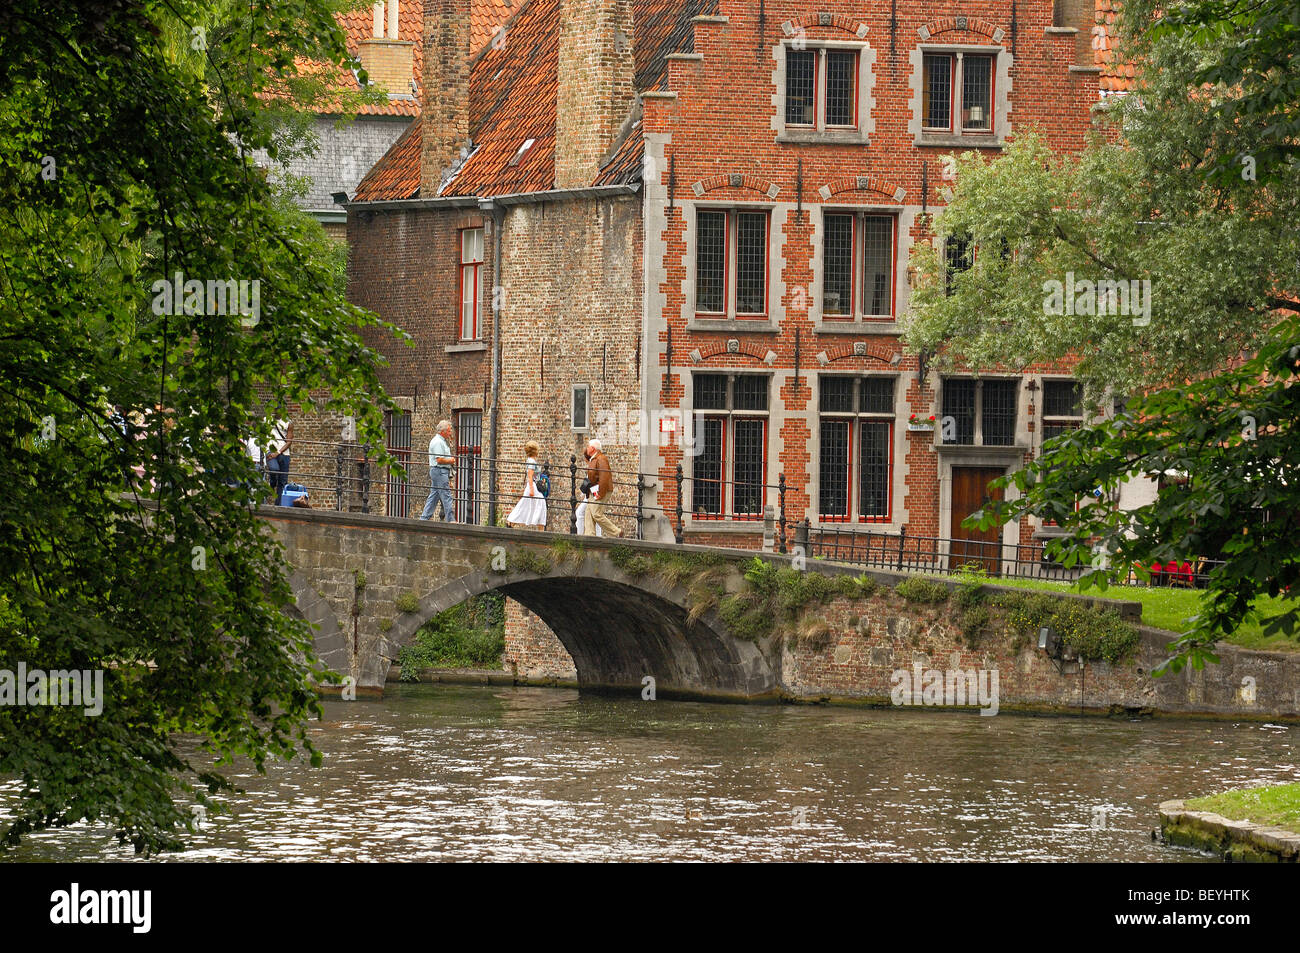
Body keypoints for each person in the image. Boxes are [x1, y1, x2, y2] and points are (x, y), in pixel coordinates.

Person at [583, 438, 621, 538]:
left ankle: (616, 532)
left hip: (600, 489)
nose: (586, 448)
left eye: (588, 446)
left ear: (592, 448)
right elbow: (585, 455)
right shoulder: (594, 458)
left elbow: (604, 476)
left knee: (596, 513)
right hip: (594, 489)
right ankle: (589, 536)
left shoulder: (601, 459)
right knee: (589, 512)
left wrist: (601, 492)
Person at [505, 441, 547, 531]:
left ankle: (511, 522)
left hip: (533, 486)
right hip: (533, 487)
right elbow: (530, 475)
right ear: (535, 450)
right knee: (538, 504)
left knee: (527, 504)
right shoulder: (531, 461)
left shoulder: (531, 460)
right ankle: (511, 521)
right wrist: (531, 489)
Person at [421, 419, 456, 521]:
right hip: (439, 471)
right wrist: (451, 460)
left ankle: (424, 518)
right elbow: (439, 459)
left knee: (434, 496)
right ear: (443, 431)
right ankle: (451, 519)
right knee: (446, 495)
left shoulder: (441, 441)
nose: (450, 433)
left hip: (438, 471)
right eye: (449, 431)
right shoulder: (438, 442)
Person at [265, 417, 292, 501]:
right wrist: (266, 450)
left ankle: (279, 504)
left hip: (284, 453)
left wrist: (278, 452)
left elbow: (289, 441)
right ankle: (272, 484)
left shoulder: (288, 422)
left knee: (282, 481)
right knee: (274, 469)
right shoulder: (267, 419)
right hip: (271, 450)